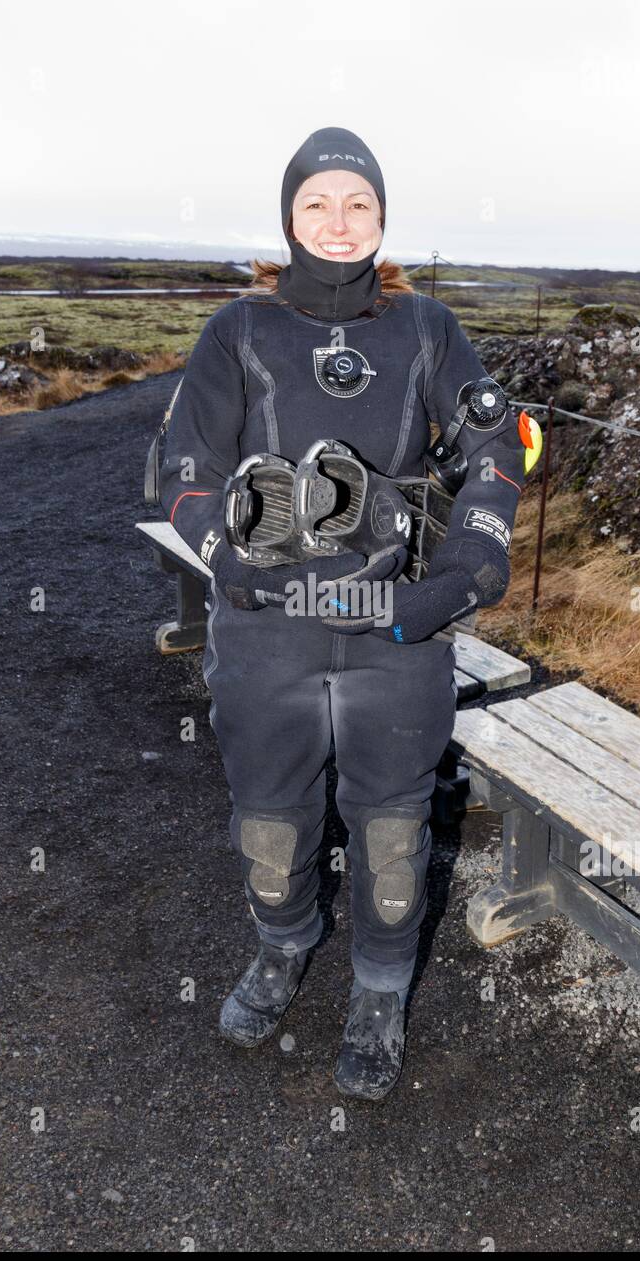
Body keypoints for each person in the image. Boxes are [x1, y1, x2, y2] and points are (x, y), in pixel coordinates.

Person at [159, 127, 530, 1100]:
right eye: (317, 203)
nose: (336, 222)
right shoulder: (236, 331)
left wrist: (469, 567)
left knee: (391, 827)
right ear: (288, 216)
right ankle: (282, 947)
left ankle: (377, 987)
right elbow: (185, 472)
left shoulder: (427, 331)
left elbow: (493, 447)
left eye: (356, 204)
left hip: (394, 625)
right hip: (263, 627)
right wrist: (226, 564)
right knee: (270, 820)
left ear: (380, 217)